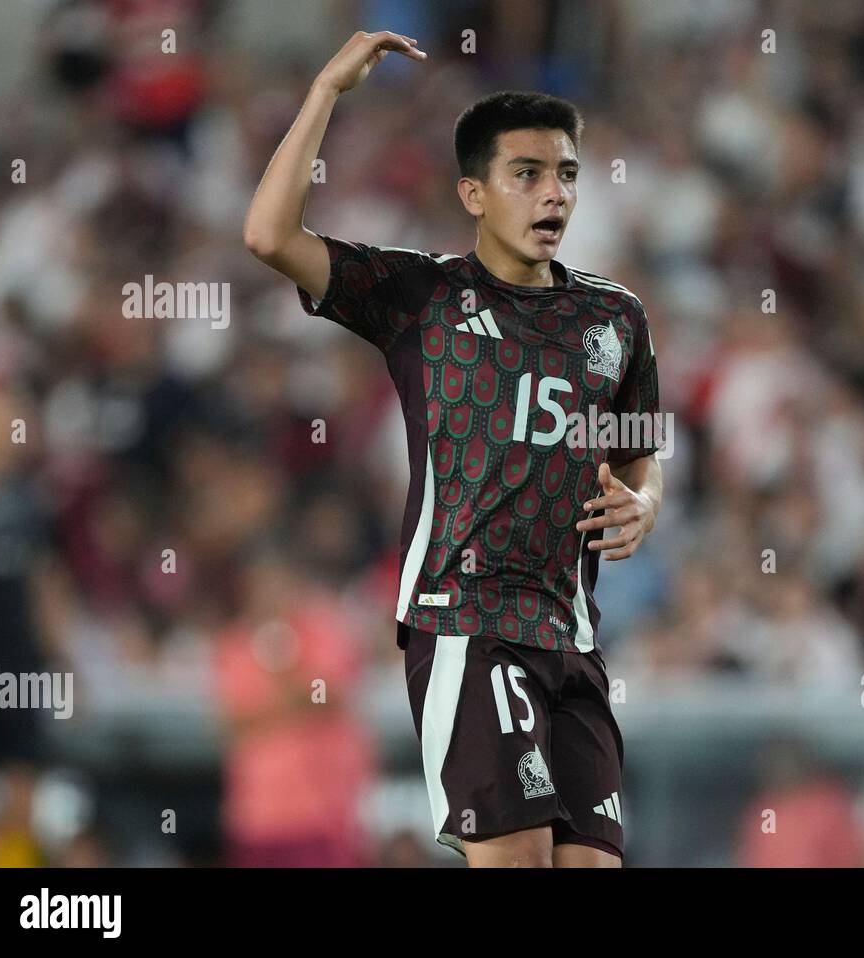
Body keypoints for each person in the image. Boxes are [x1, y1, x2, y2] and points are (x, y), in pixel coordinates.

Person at [243, 31, 665, 868]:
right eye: (528, 174)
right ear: (474, 192)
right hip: (466, 625)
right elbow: (267, 234)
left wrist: (643, 501)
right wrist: (326, 90)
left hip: (572, 636)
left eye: (568, 174)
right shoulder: (422, 297)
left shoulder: (616, 317)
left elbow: (637, 449)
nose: (555, 195)